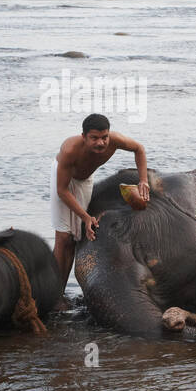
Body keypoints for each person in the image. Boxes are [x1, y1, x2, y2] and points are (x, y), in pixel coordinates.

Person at [52, 113, 150, 291]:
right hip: (65, 181)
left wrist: (143, 180)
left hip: (86, 179)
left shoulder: (115, 140)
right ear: (84, 137)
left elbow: (139, 149)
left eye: (104, 137)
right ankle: (54, 294)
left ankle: (62, 291)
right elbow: (62, 190)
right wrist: (86, 216)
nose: (101, 143)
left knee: (75, 237)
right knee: (64, 237)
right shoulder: (70, 150)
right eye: (94, 138)